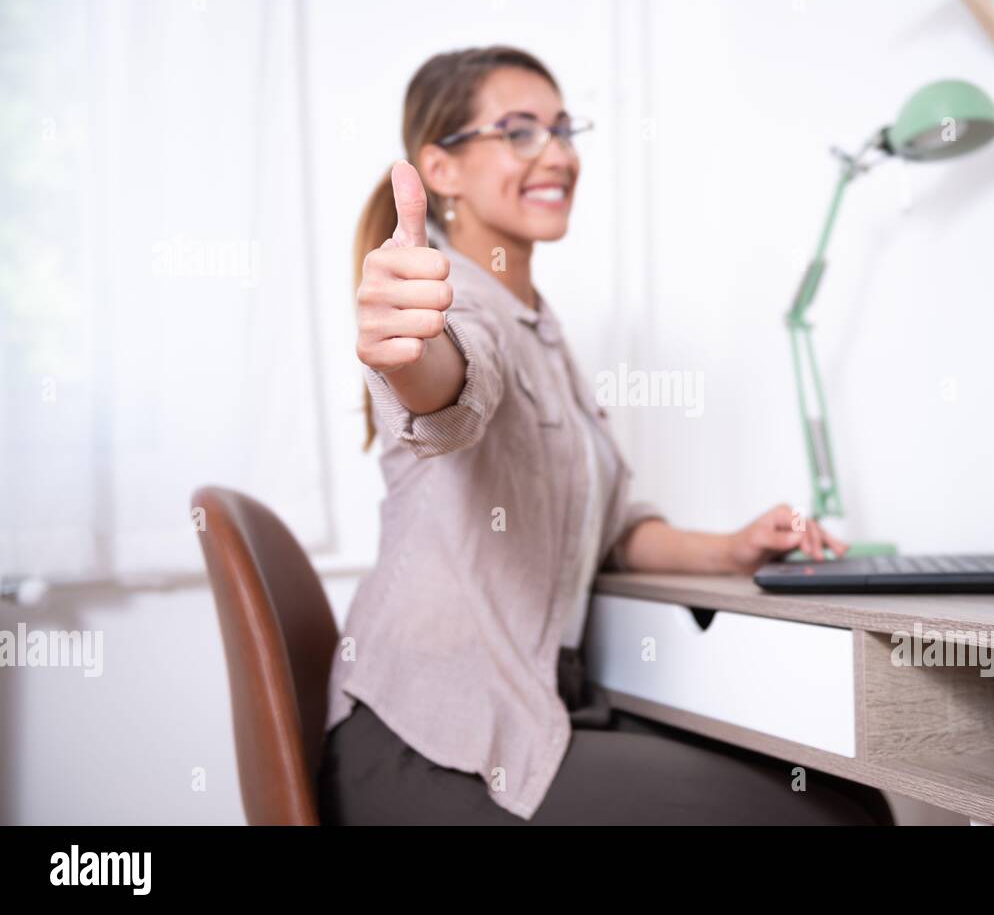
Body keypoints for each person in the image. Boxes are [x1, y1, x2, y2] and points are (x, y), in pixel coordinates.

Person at [319, 45, 891, 825]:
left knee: (847, 796)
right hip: (426, 747)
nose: (557, 152)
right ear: (440, 170)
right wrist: (411, 351)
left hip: (536, 715)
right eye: (518, 131)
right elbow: (450, 389)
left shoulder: (543, 331)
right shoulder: (464, 308)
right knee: (835, 819)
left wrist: (733, 547)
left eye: (562, 128)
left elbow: (614, 528)